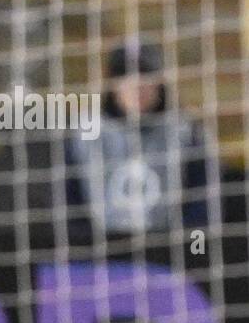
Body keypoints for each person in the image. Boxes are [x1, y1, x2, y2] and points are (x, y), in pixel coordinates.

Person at [65, 40, 212, 239]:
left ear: (159, 82)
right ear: (112, 85)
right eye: (125, 76)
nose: (136, 85)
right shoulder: (84, 134)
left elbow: (202, 206)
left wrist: (187, 250)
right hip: (102, 256)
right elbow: (69, 204)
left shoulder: (186, 132)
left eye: (145, 75)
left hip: (168, 254)